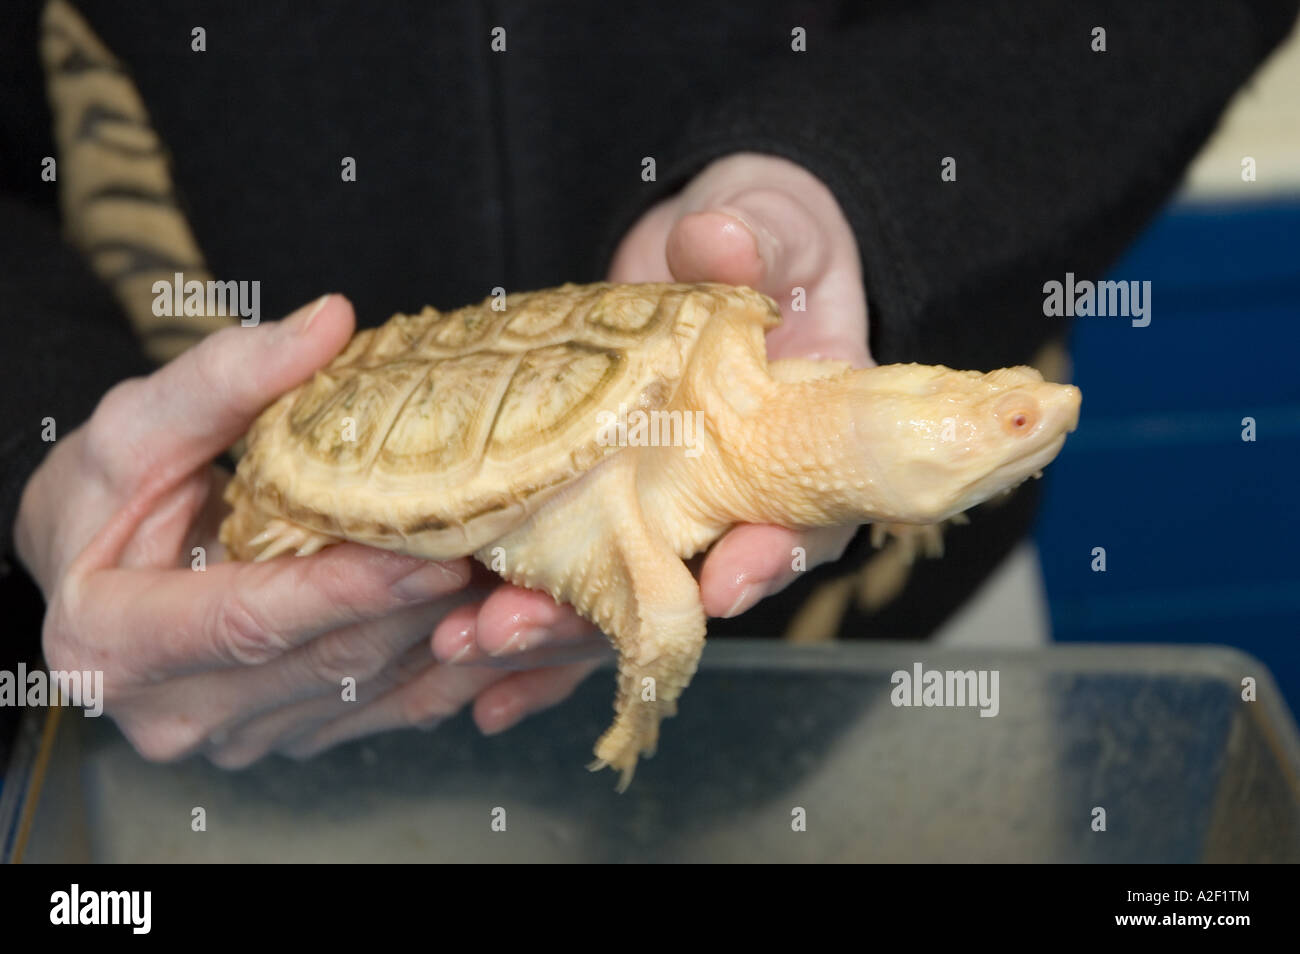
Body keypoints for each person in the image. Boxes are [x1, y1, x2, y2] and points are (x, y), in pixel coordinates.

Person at [3, 0, 1296, 769]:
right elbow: (661, 624)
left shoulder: (738, 339)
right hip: (176, 655)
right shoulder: (681, 447)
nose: (1033, 420)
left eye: (994, 415)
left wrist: (852, 184)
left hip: (906, 681)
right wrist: (36, 426)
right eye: (1000, 416)